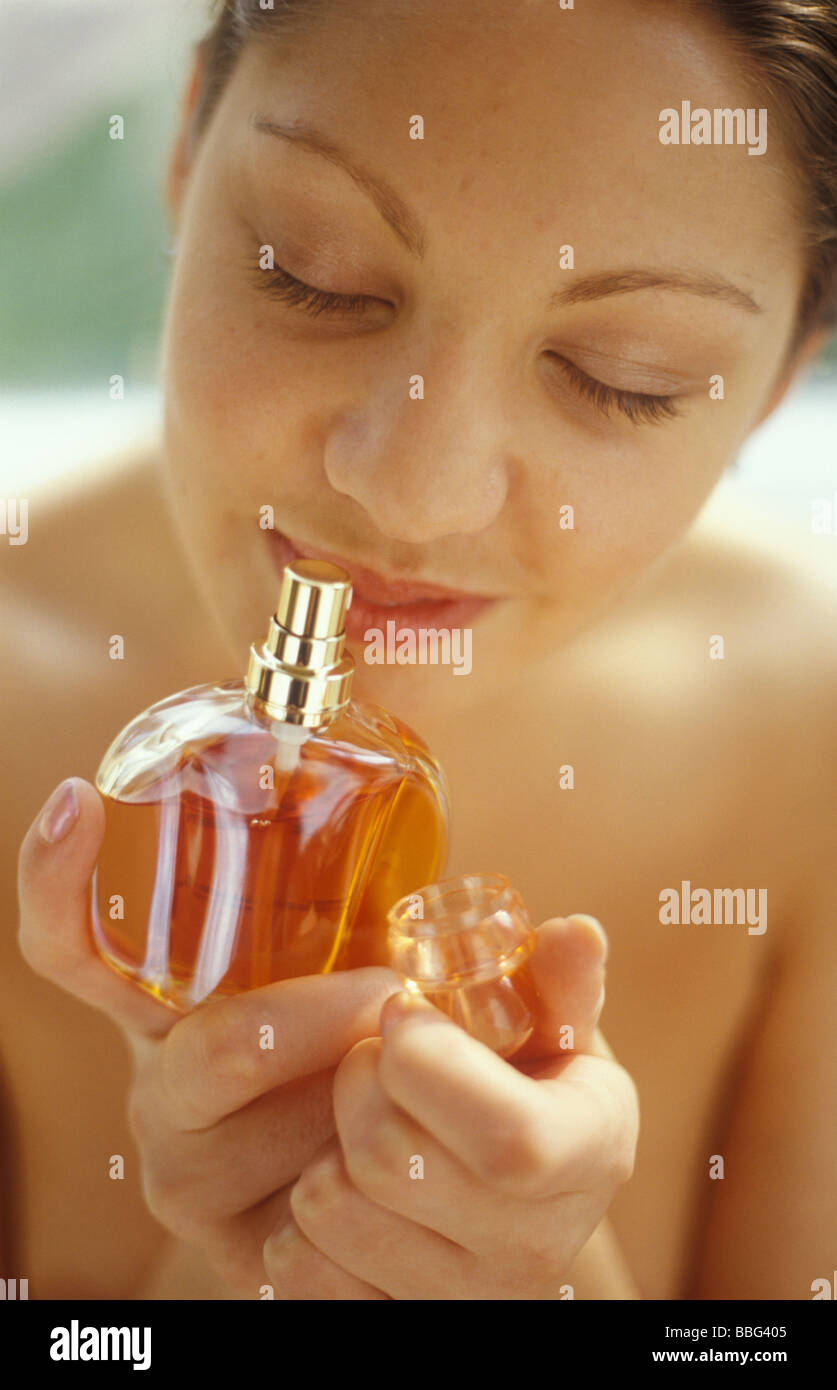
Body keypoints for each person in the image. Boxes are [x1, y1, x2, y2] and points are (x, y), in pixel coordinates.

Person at [7, 0, 837, 1300]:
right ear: (183, 151)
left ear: (777, 380)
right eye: (310, 271)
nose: (409, 493)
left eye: (621, 374)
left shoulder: (813, 740)